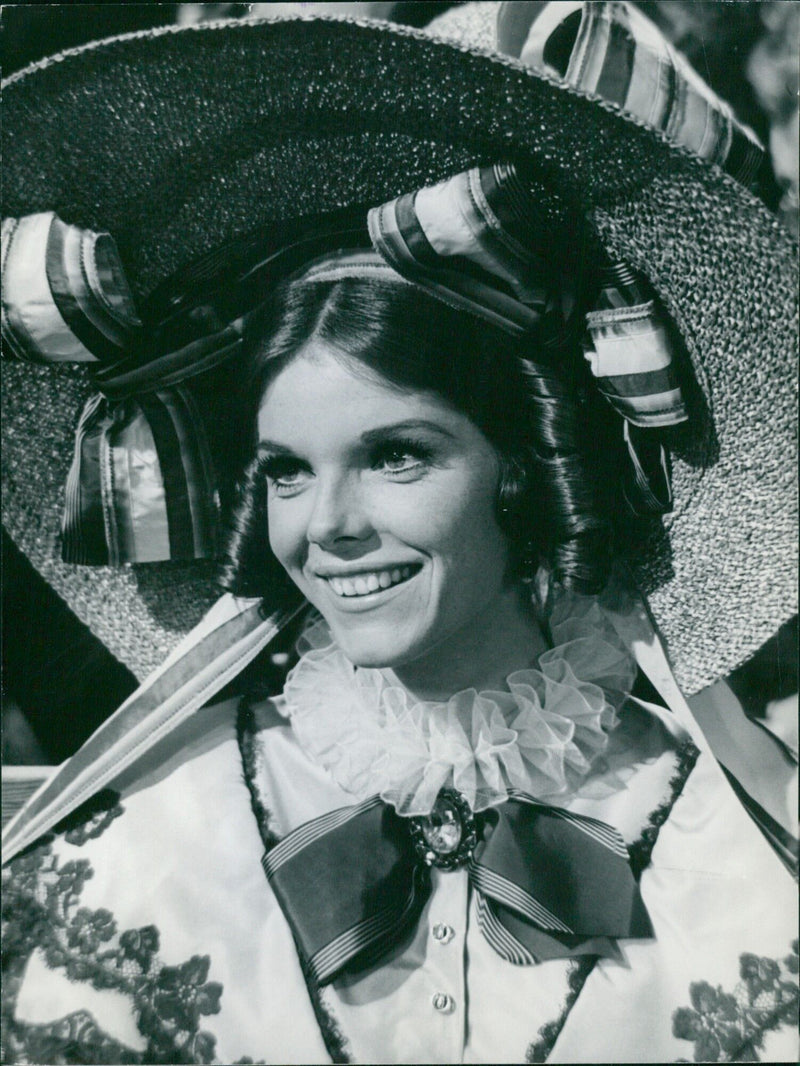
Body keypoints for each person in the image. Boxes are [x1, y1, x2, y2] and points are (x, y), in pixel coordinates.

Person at [1, 4, 797, 1064]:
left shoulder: (720, 840)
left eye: (395, 455)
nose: (327, 528)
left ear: (524, 462)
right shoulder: (162, 844)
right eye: (285, 469)